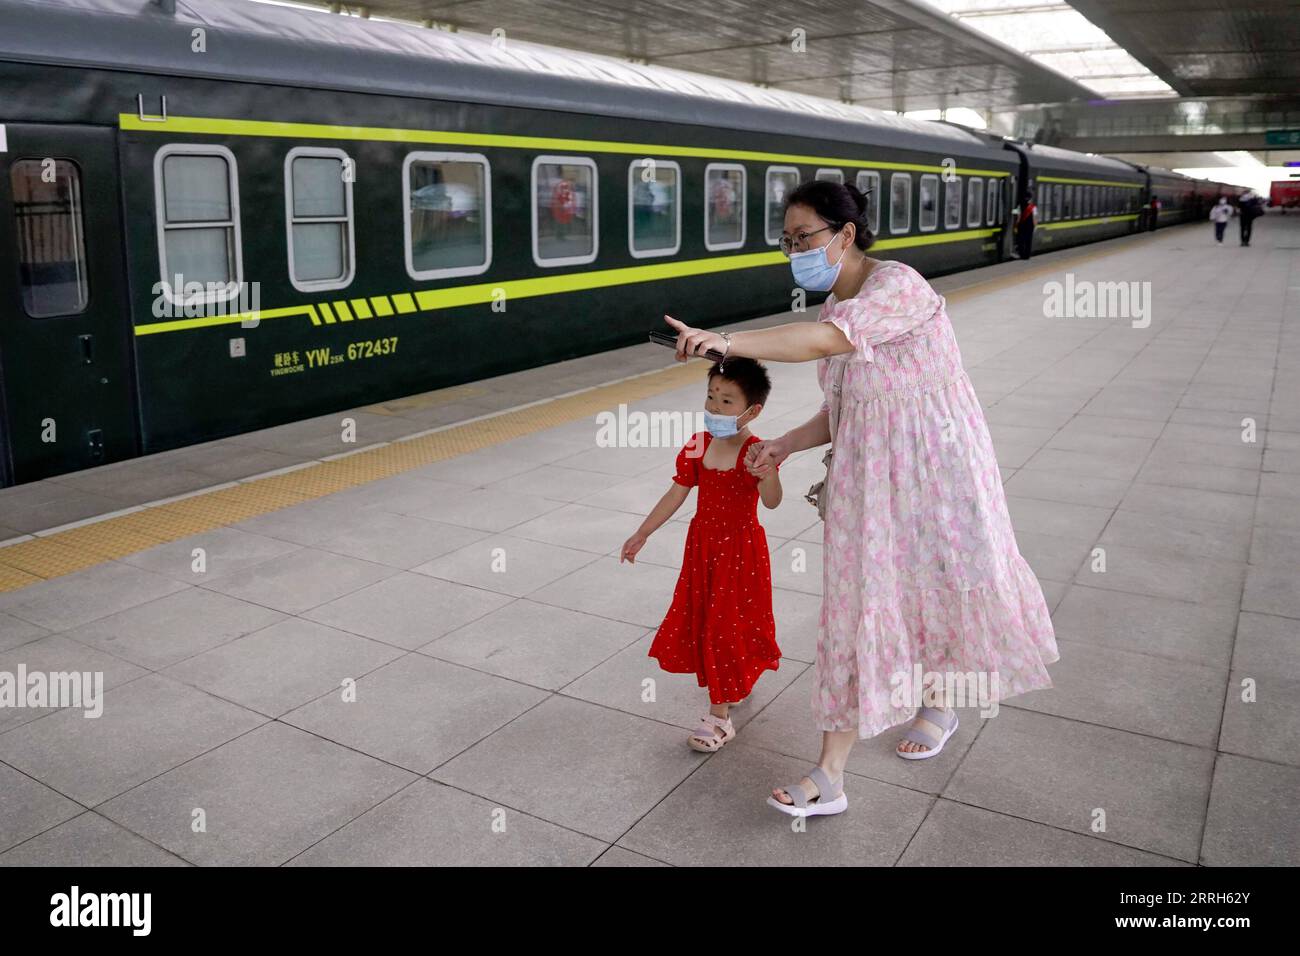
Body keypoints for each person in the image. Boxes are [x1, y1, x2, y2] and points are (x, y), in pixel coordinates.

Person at [663, 179, 1058, 818]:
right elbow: (845, 403)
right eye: (786, 242)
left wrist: (727, 343)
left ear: (845, 235)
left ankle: (939, 700)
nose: (794, 251)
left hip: (936, 472)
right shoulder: (832, 313)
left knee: (937, 582)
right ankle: (831, 775)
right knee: (857, 605)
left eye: (804, 239)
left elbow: (826, 343)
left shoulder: (898, 287)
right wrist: (788, 442)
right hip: (868, 478)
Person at [620, 357, 783, 753]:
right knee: (710, 622)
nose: (714, 407)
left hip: (740, 554)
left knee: (727, 627)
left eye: (727, 401)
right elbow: (677, 492)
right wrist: (643, 532)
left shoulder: (756, 450)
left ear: (752, 410)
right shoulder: (698, 443)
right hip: (703, 549)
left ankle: (719, 719)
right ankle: (731, 686)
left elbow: (773, 502)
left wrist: (768, 474)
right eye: (711, 396)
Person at [1014, 191, 1037, 260]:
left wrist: (1016, 226)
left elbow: (1018, 217)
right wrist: (1035, 226)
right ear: (1030, 199)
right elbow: (1034, 218)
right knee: (1028, 241)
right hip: (1030, 226)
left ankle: (1022, 255)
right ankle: (1027, 256)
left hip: (1021, 226)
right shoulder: (1033, 207)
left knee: (1021, 241)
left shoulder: (1019, 206)